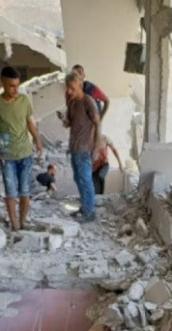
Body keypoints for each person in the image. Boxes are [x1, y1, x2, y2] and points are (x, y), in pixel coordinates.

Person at [0, 66, 43, 231]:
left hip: (25, 152)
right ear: (2, 83)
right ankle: (14, 224)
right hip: (6, 155)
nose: (15, 89)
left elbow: (30, 123)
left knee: (24, 190)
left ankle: (23, 221)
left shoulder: (24, 100)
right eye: (11, 86)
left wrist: (37, 140)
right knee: (11, 191)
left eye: (17, 85)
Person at [65, 72, 100, 223]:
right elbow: (70, 123)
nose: (69, 91)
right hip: (74, 146)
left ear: (79, 85)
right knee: (78, 178)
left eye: (72, 88)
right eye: (68, 88)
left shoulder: (88, 101)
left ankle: (90, 212)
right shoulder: (72, 103)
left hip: (85, 147)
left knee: (85, 180)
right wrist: (64, 120)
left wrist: (97, 148)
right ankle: (85, 207)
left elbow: (97, 123)